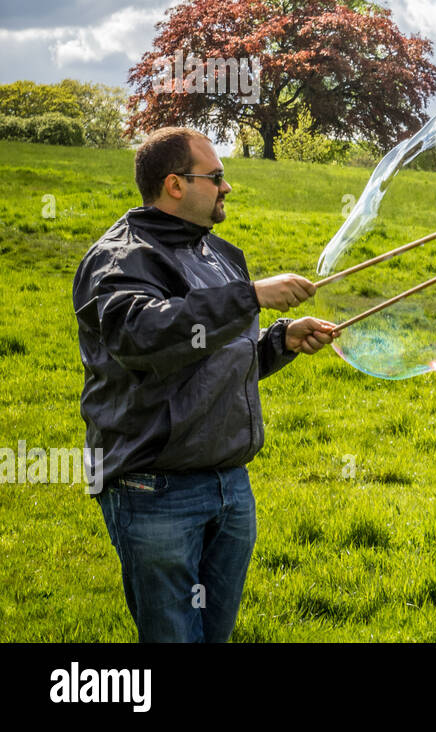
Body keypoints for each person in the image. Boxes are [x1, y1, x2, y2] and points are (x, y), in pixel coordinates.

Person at [73, 126, 338, 642]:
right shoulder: (122, 258)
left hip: (230, 486)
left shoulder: (221, 255)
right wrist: (250, 297)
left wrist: (280, 341)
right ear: (175, 185)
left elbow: (216, 359)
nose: (227, 187)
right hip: (154, 487)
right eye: (215, 177)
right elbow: (142, 336)